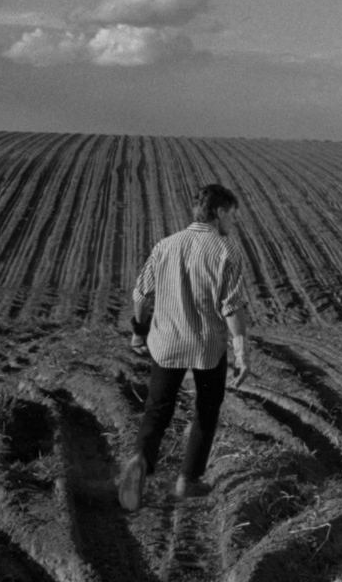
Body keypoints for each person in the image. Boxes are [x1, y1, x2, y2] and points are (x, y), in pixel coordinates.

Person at [117, 183, 253, 510]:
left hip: (167, 342)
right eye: (232, 215)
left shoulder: (166, 245)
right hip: (207, 345)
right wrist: (242, 353)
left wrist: (139, 331)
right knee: (207, 410)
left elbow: (141, 295)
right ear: (219, 212)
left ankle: (141, 465)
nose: (233, 222)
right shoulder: (226, 250)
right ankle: (186, 481)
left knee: (157, 408)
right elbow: (232, 307)